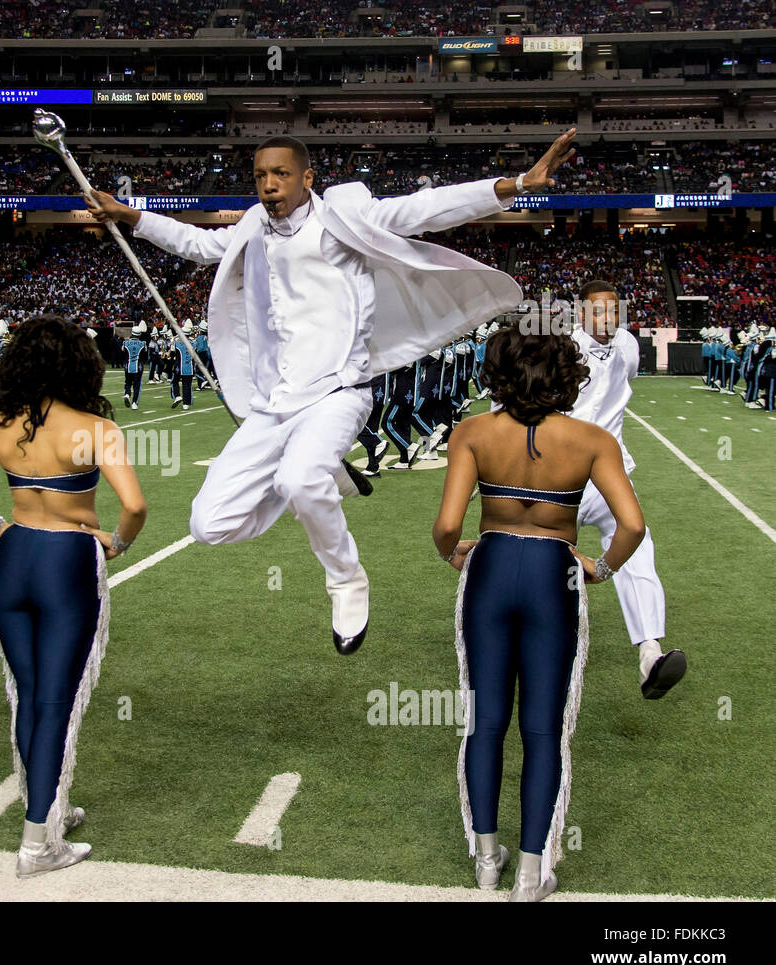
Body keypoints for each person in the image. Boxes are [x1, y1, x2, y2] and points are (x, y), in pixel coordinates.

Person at [86, 129, 575, 653]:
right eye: (260, 176)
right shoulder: (253, 227)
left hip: (341, 390)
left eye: (281, 175)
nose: (269, 186)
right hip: (275, 402)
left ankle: (345, 576)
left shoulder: (344, 214)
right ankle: (326, 473)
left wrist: (516, 184)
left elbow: (425, 208)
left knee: (299, 480)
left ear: (307, 178)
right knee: (210, 524)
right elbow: (199, 244)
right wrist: (129, 215)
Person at [0, 314, 146, 878]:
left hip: (14, 555)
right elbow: (136, 507)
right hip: (67, 558)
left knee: (27, 693)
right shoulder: (96, 429)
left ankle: (45, 812)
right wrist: (116, 544)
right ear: (81, 364)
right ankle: (37, 842)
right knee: (54, 699)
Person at [433, 325, 646, 902]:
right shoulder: (592, 439)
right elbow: (631, 525)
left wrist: (455, 555)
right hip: (556, 573)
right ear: (566, 375)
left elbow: (449, 524)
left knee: (485, 718)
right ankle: (532, 872)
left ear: (498, 372)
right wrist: (600, 569)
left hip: (492, 569)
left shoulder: (473, 432)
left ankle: (484, 858)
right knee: (545, 727)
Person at [570, 280, 686, 699]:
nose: (606, 319)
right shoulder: (562, 348)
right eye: (597, 311)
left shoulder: (629, 345)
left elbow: (627, 375)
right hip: (560, 472)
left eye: (613, 311)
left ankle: (650, 654)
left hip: (610, 470)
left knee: (637, 546)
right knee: (542, 557)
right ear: (580, 313)